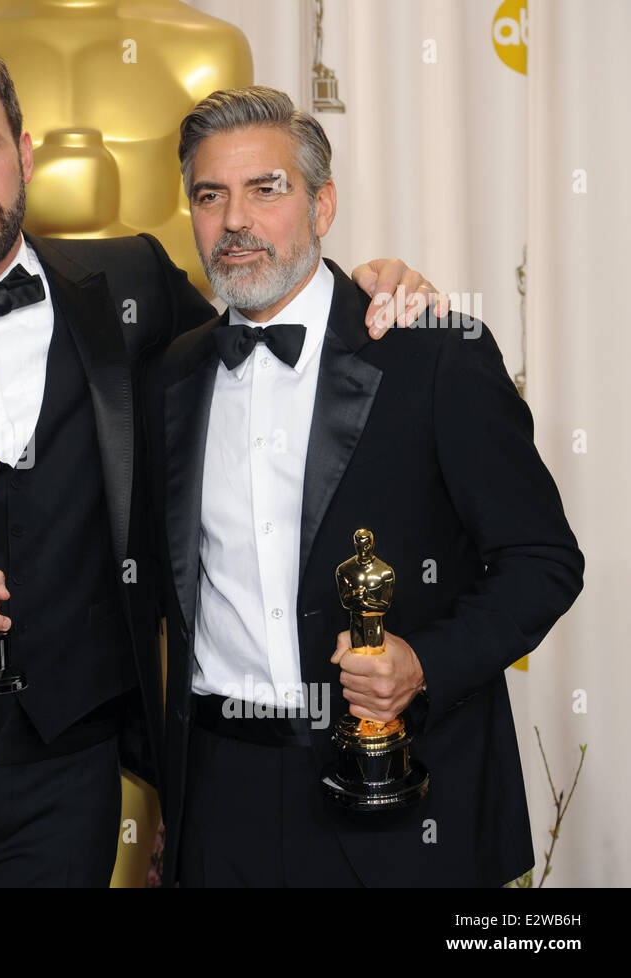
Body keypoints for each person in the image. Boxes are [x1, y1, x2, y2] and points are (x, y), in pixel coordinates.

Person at [0, 39, 432, 887]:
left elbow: (265, 347)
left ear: (25, 154)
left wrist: (370, 286)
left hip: (71, 770)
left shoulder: (134, 285)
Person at [146, 85, 584, 887]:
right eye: (210, 196)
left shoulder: (432, 352)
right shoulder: (172, 374)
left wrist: (424, 662)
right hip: (220, 800)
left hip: (404, 796)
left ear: (324, 205)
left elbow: (543, 559)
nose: (235, 219)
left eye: (266, 188)